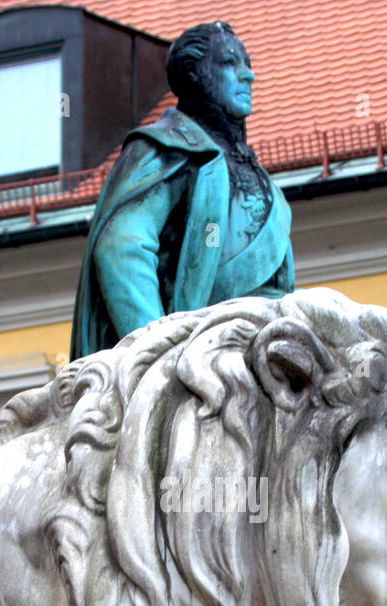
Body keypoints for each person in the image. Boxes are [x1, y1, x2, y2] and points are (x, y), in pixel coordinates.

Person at [70, 20, 294, 360]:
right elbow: (122, 247)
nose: (248, 75)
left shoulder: (254, 171)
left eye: (247, 65)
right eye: (229, 63)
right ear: (194, 75)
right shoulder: (166, 147)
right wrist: (159, 355)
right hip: (207, 347)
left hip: (267, 342)